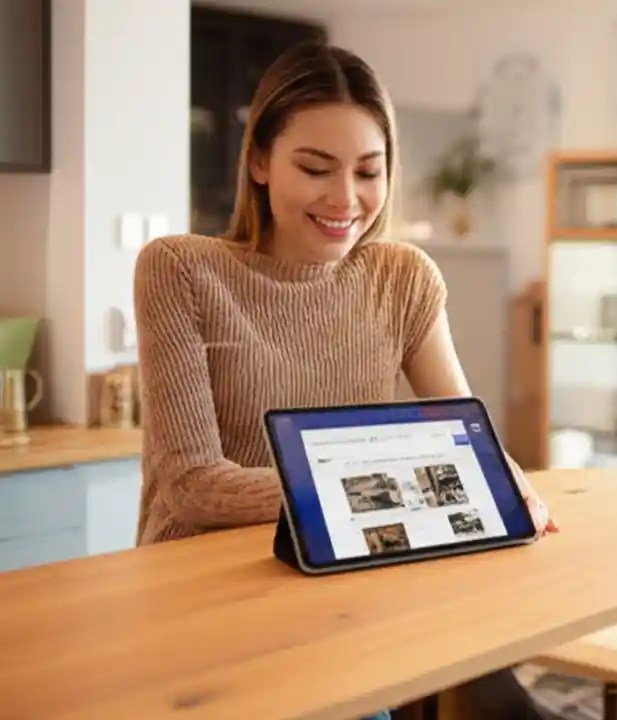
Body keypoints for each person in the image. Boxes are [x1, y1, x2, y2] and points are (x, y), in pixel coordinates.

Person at [133, 41, 556, 720]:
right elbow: (193, 489)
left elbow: (468, 445)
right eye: (316, 168)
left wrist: (508, 485)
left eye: (368, 171)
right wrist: (384, 483)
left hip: (340, 594)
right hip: (205, 609)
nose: (346, 198)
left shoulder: (402, 277)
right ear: (260, 162)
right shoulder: (181, 271)